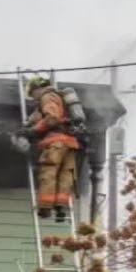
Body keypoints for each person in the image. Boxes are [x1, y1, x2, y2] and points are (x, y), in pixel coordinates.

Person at [20, 75, 81, 222]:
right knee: (65, 176)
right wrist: (26, 128)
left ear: (37, 88)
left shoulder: (47, 96)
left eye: (32, 93)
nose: (33, 97)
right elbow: (36, 118)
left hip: (55, 143)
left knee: (49, 172)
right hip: (70, 144)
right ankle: (61, 206)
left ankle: (45, 207)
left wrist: (33, 131)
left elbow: (51, 118)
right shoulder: (58, 98)